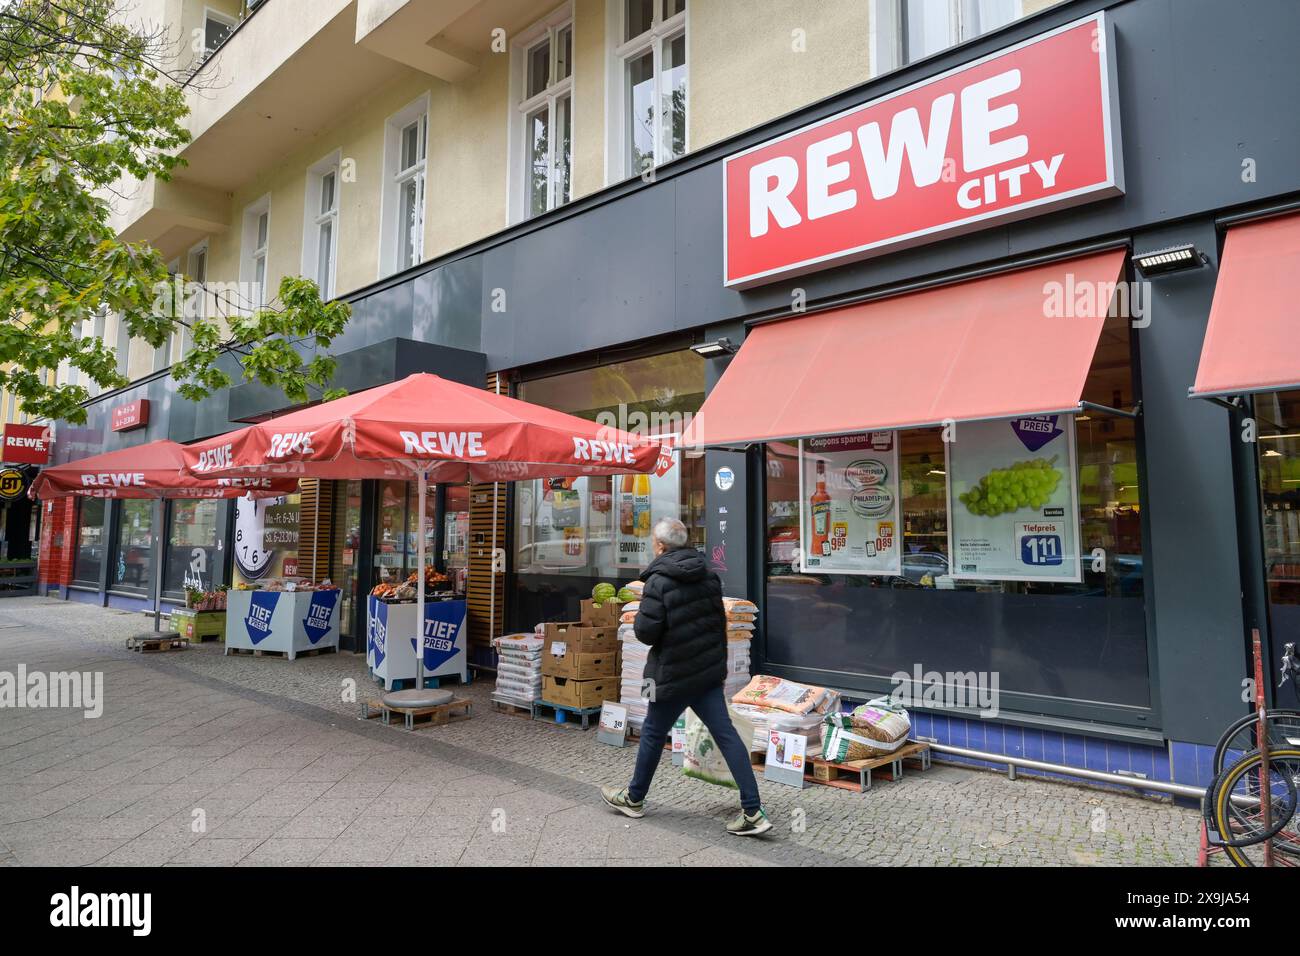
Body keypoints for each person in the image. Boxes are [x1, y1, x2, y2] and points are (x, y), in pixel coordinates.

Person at [601, 517, 771, 836]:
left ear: (661, 546)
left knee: (652, 733)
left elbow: (647, 633)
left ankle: (634, 799)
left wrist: (641, 613)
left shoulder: (658, 581)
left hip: (673, 675)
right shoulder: (708, 575)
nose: (653, 545)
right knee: (726, 734)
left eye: (654, 541)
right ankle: (753, 811)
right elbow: (716, 625)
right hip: (705, 674)